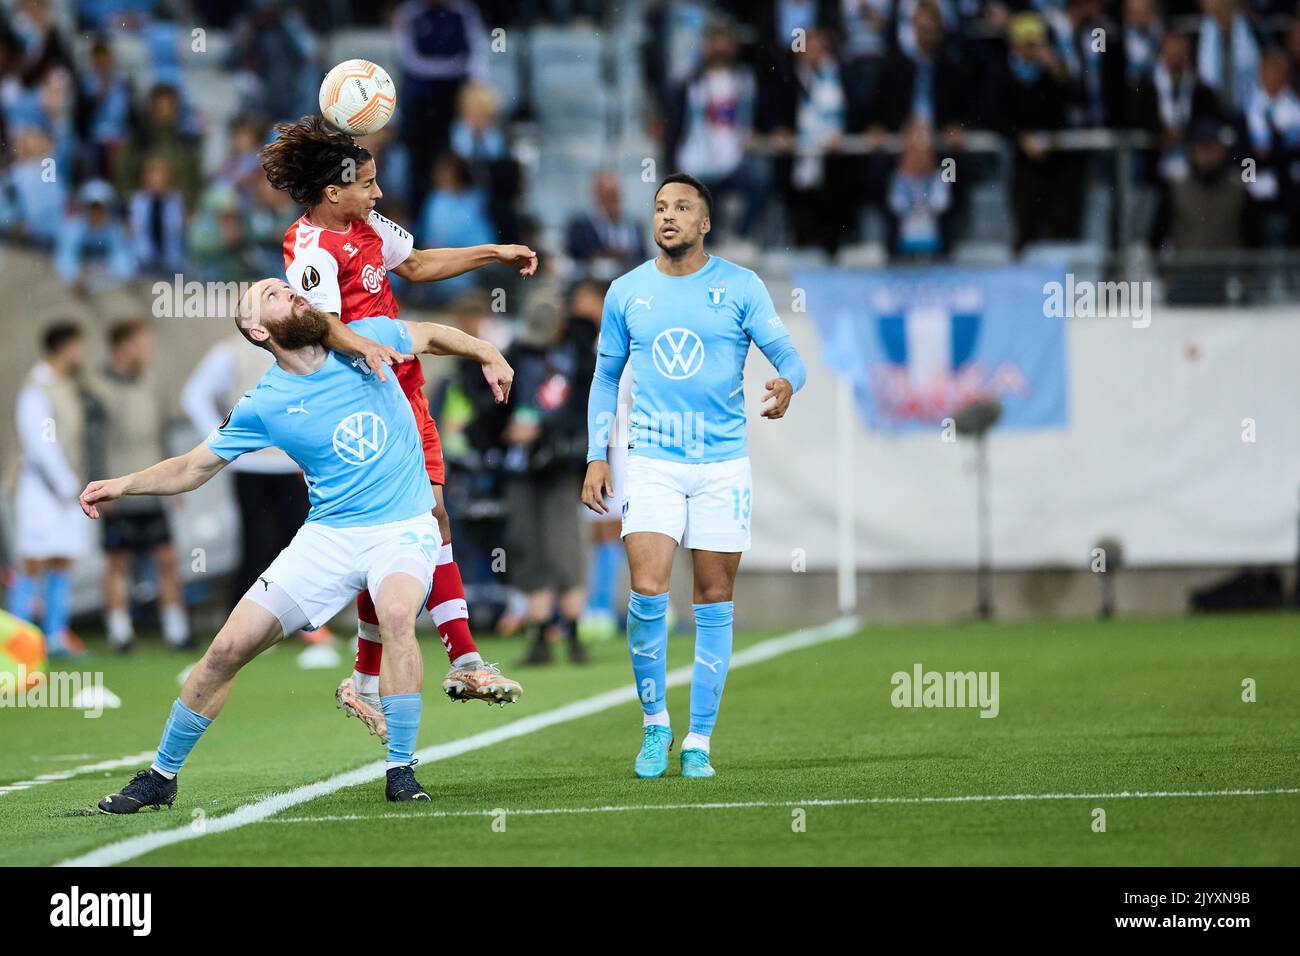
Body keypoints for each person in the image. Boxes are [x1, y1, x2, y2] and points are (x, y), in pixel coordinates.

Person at [88, 278, 514, 812]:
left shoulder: (366, 340)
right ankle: (160, 777)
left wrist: (487, 350)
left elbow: (429, 335)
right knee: (225, 649)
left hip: (402, 524)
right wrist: (122, 485)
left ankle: (400, 769)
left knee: (399, 615)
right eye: (271, 294)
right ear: (258, 330)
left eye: (288, 287)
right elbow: (192, 467)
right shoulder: (264, 403)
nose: (290, 291)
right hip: (329, 534)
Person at [260, 116, 535, 735]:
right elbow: (322, 325)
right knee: (421, 521)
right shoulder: (309, 248)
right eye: (368, 184)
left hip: (402, 385)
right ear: (334, 191)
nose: (378, 193)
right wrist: (371, 348)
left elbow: (417, 265)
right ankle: (462, 658)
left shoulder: (366, 226)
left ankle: (364, 680)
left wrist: (492, 251)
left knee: (403, 531)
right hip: (365, 400)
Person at [580, 174, 807, 779]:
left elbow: (789, 358)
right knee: (648, 590)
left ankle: (699, 739)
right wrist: (596, 455)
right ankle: (656, 727)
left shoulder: (741, 286)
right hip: (652, 459)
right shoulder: (627, 292)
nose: (668, 216)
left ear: (705, 223)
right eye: (659, 207)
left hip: (722, 465)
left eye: (681, 207)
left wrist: (788, 383)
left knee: (712, 598)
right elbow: (606, 381)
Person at [84, 319, 190, 652]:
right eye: (141, 344)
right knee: (118, 563)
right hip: (117, 491)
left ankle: (176, 631)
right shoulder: (96, 388)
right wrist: (100, 492)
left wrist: (174, 484)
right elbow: (92, 444)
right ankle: (120, 633)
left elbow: (162, 437)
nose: (146, 351)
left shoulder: (152, 384)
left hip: (152, 489)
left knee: (168, 559)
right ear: (123, 346)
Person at [503, 285, 593, 665]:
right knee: (526, 547)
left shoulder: (580, 355)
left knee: (563, 546)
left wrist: (546, 433)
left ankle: (572, 634)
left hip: (560, 465)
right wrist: (502, 430)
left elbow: (585, 411)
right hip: (520, 465)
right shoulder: (518, 353)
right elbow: (493, 400)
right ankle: (539, 635)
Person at [8, 322, 88, 657]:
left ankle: (54, 636)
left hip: (65, 489)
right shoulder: (35, 388)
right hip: (38, 489)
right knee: (32, 560)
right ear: (65, 347)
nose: (81, 353)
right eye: (78, 346)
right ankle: (15, 642)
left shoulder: (67, 385)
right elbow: (41, 444)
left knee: (62, 557)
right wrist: (65, 482)